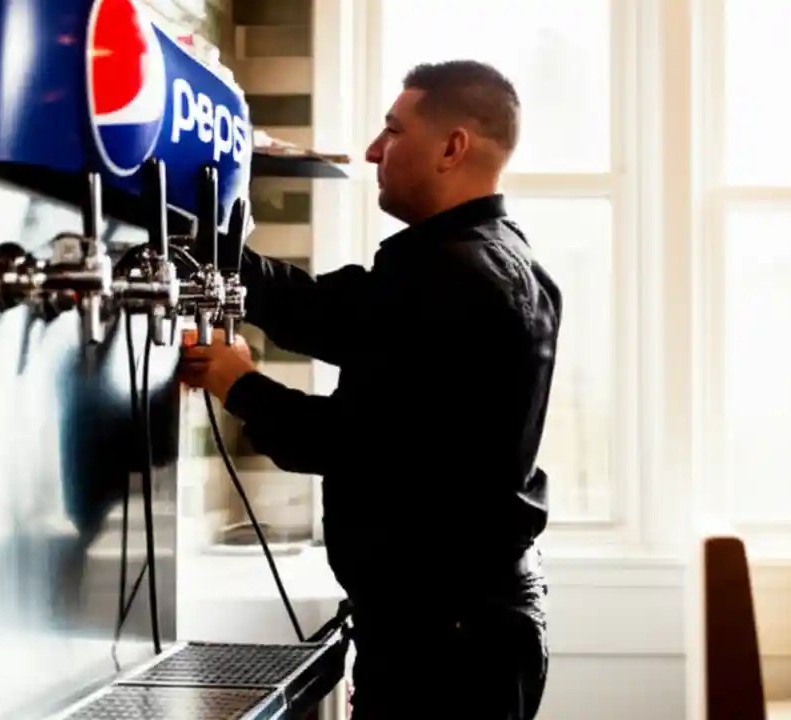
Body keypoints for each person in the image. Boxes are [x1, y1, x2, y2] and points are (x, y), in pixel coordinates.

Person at [179, 59, 561, 720]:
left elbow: (357, 441)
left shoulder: (456, 275)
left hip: (449, 642)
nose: (372, 151)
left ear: (452, 147)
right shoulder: (483, 257)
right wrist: (198, 240)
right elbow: (324, 312)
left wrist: (236, 381)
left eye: (392, 131)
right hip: (458, 628)